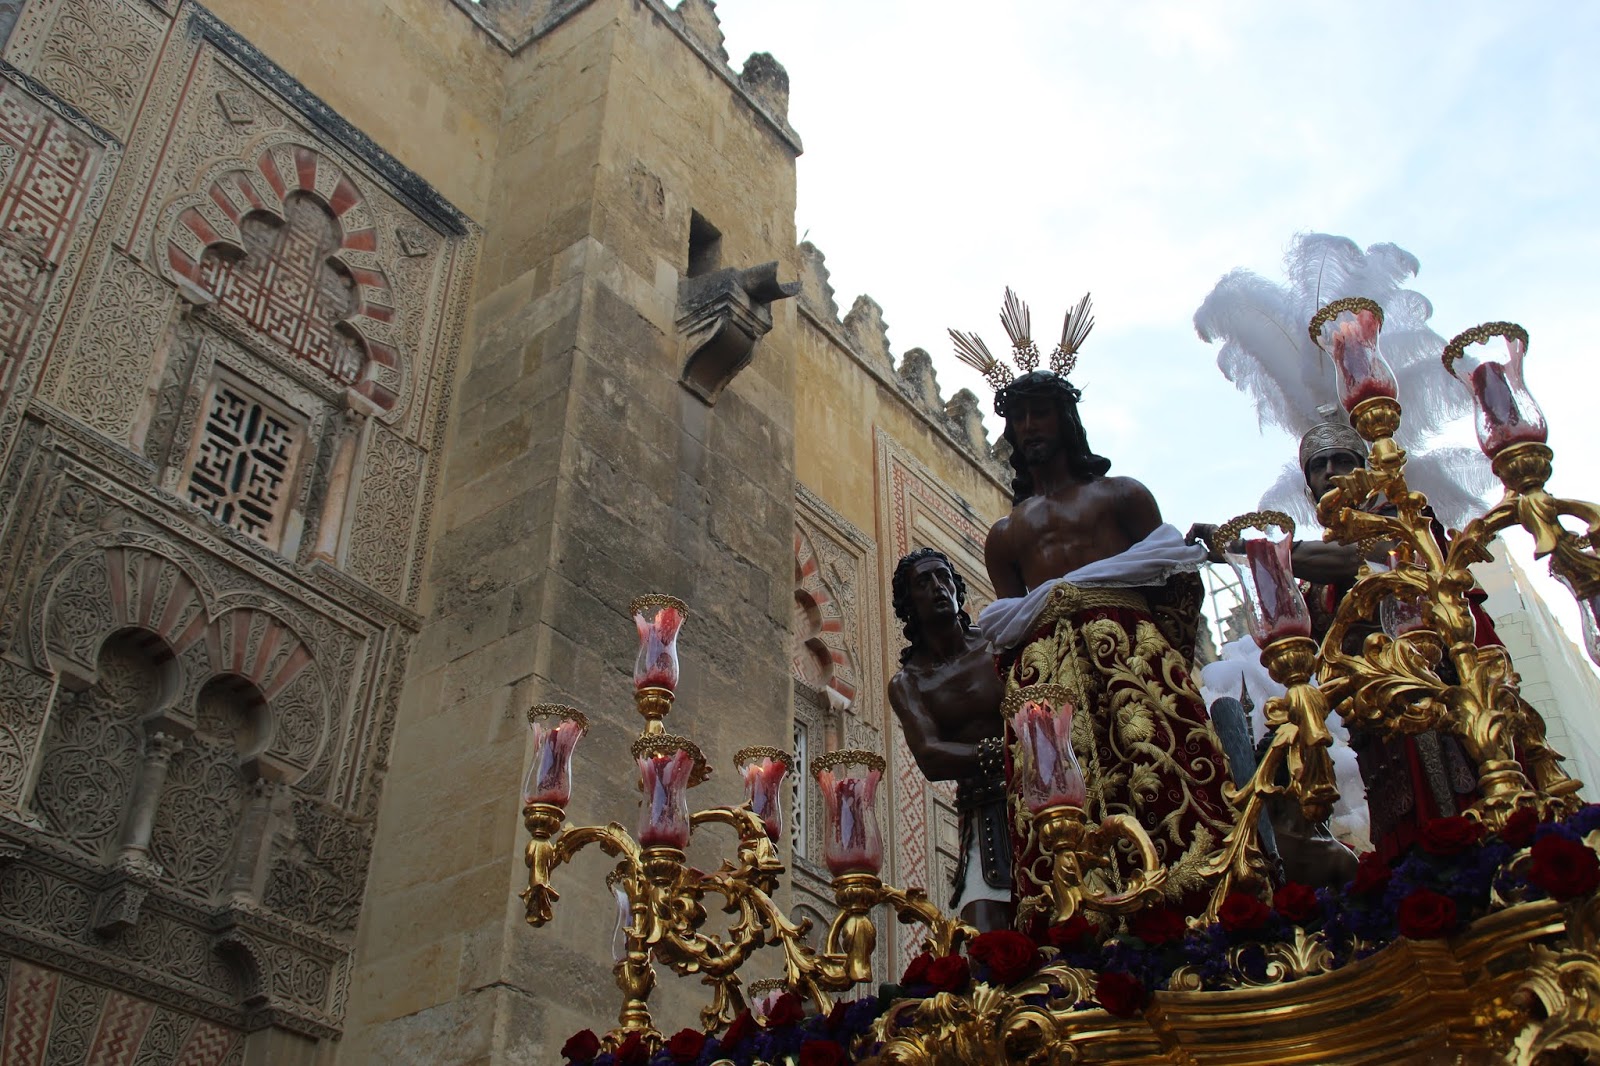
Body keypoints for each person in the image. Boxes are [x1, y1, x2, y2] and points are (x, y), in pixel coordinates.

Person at [979, 369, 1235, 921]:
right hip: (1049, 676)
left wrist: (1163, 662)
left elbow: (1172, 584)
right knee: (1061, 804)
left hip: (1129, 659)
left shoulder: (1123, 496)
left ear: (1066, 420)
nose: (1029, 428)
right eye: (1018, 418)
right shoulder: (1006, 535)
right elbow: (1009, 629)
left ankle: (1196, 899)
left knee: (1157, 775)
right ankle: (1076, 916)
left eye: (1040, 413)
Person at [887, 548, 1012, 932]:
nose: (938, 588)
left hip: (1037, 794)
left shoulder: (997, 643)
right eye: (924, 583)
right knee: (986, 936)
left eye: (943, 578)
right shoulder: (910, 683)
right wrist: (1004, 753)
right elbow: (930, 756)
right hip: (982, 814)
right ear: (910, 604)